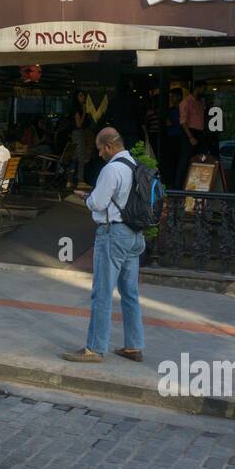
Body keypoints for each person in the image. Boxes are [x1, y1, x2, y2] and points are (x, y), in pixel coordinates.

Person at [62, 127, 146, 364]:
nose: (99, 154)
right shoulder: (134, 164)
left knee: (102, 292)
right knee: (130, 293)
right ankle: (134, 346)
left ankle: (95, 348)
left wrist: (86, 198)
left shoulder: (111, 169)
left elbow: (98, 203)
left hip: (113, 234)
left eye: (100, 149)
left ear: (109, 146)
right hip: (134, 234)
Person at [67, 110, 92, 190]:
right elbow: (79, 124)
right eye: (81, 96)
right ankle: (80, 181)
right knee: (81, 158)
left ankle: (70, 181)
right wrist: (84, 113)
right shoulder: (78, 111)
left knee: (75, 158)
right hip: (78, 133)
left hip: (77, 134)